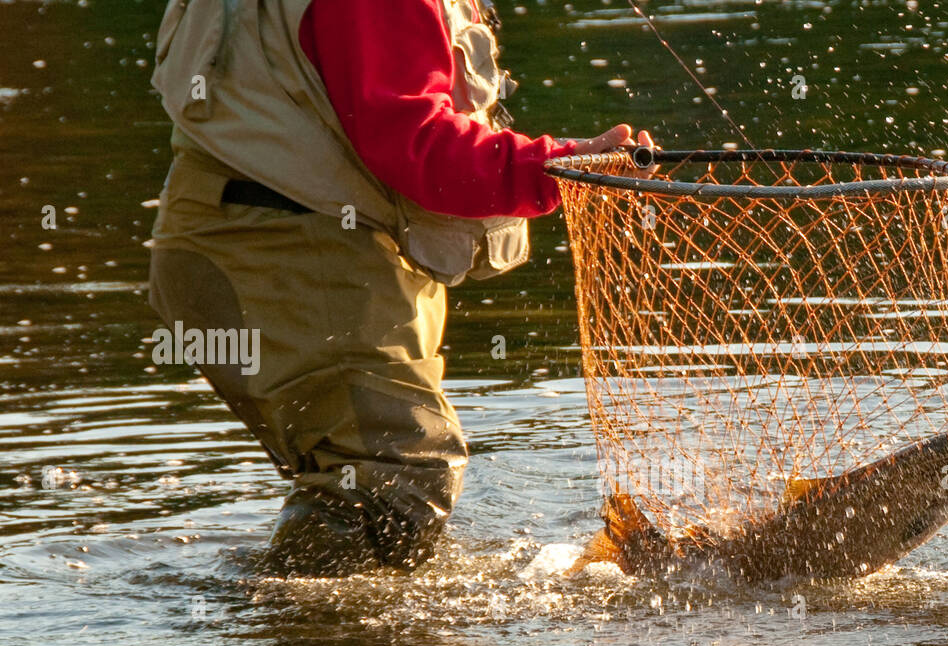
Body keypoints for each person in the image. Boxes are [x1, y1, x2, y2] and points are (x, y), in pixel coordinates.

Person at [147, 0, 653, 574]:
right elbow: (414, 143)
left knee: (353, 480)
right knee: (399, 473)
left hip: (230, 248)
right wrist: (564, 166)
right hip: (291, 259)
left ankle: (300, 638)